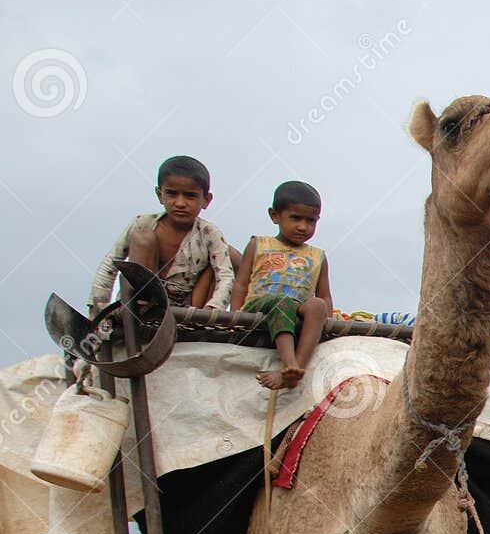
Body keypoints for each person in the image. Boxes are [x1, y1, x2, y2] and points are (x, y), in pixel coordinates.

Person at [88, 155, 234, 313]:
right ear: (160, 195)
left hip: (187, 307)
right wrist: (98, 308)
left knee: (228, 255)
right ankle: (144, 307)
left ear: (206, 200)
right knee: (142, 238)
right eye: (172, 194)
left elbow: (225, 275)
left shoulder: (209, 233)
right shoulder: (142, 223)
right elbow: (111, 263)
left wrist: (213, 309)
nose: (180, 203)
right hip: (144, 302)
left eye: (190, 195)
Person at [230, 181, 331, 391]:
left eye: (310, 221)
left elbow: (325, 295)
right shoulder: (258, 244)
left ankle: (295, 371)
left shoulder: (318, 256)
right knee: (283, 303)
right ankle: (289, 362)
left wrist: (326, 319)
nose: (303, 226)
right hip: (259, 306)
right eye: (295, 218)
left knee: (317, 305)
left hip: (297, 310)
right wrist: (235, 314)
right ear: (275, 215)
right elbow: (241, 283)